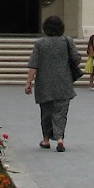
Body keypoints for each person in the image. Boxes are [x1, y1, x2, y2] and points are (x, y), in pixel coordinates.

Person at [25, 15, 81, 151]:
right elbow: (77, 59)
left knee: (46, 112)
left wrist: (28, 83)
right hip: (64, 82)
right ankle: (60, 139)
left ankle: (45, 140)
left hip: (44, 83)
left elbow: (33, 65)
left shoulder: (40, 43)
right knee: (61, 112)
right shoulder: (67, 41)